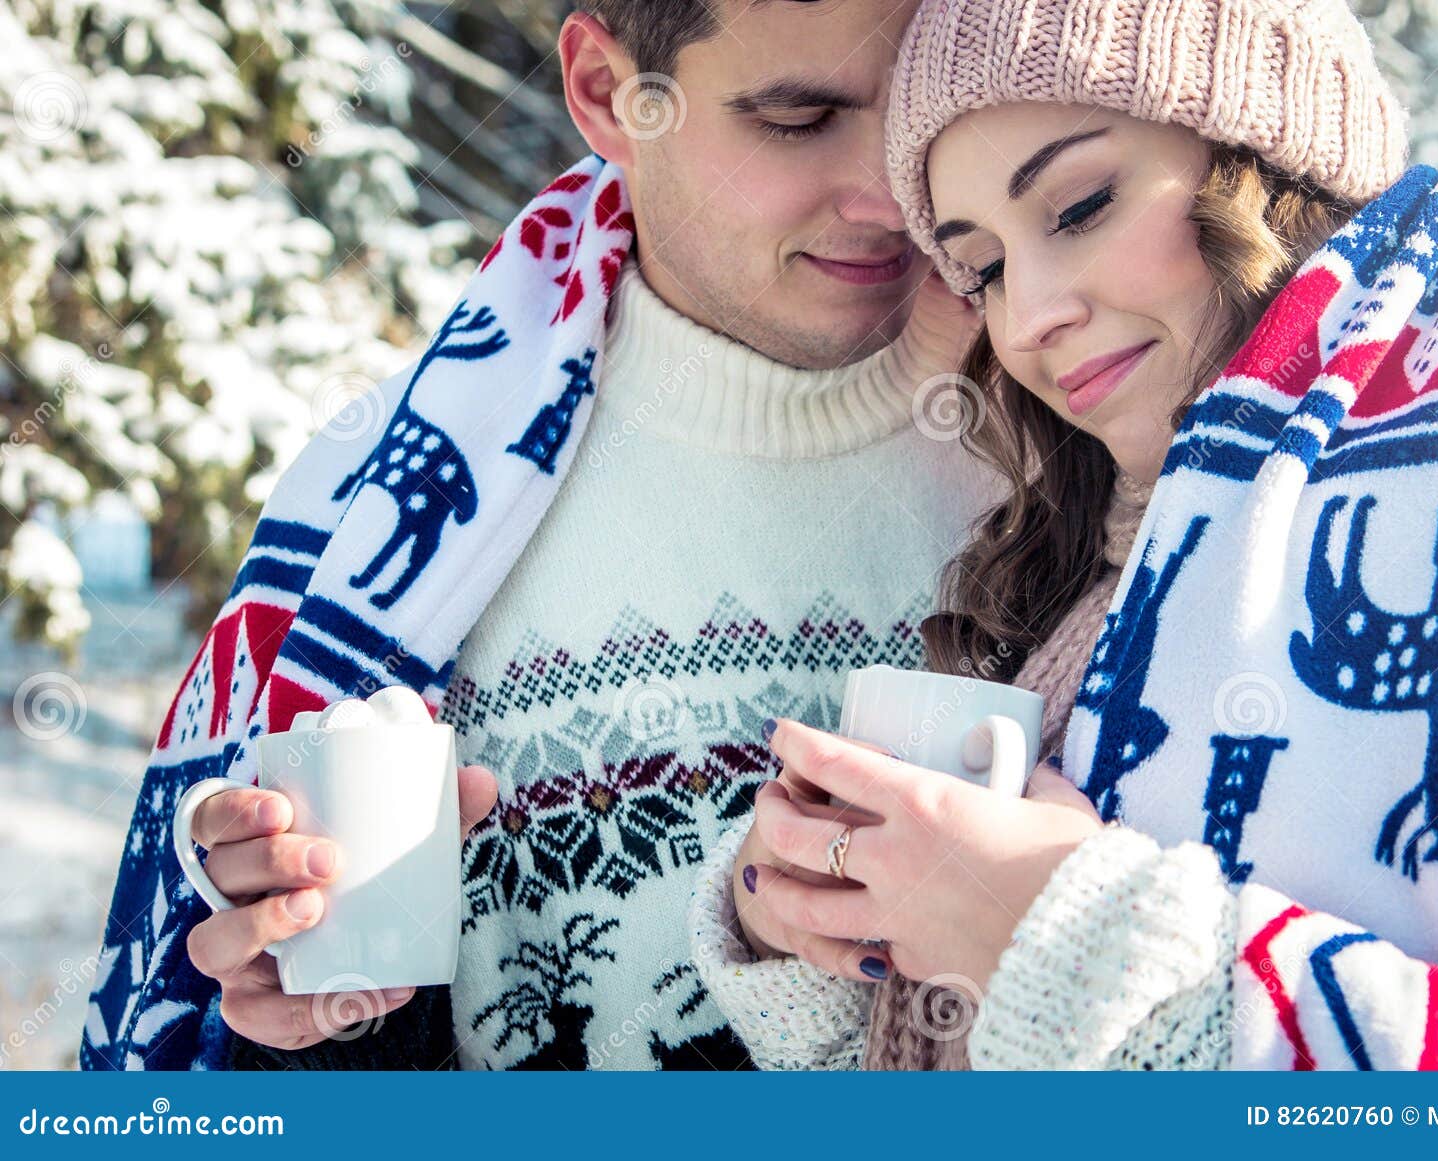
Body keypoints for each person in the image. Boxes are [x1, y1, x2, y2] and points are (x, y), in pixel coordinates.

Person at [81, 0, 1007, 1072]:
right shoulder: (390, 514)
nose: (888, 195)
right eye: (798, 119)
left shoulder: (1087, 458)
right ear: (608, 92)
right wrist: (313, 1020)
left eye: (919, 117)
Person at [689, 0, 1438, 1070]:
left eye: (1078, 206)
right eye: (978, 268)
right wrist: (822, 939)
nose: (1025, 318)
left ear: (1263, 159)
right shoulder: (1087, 565)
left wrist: (1084, 945)